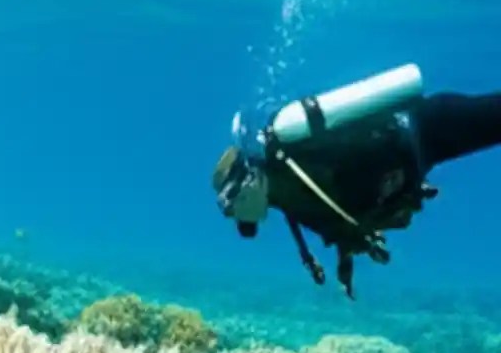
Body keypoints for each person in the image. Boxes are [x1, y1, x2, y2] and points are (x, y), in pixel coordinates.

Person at [212, 64, 501, 299]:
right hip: (422, 138)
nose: (244, 221)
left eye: (234, 211)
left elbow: (337, 202)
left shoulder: (289, 173)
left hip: (426, 127)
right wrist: (346, 259)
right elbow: (337, 212)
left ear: (244, 192)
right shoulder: (285, 186)